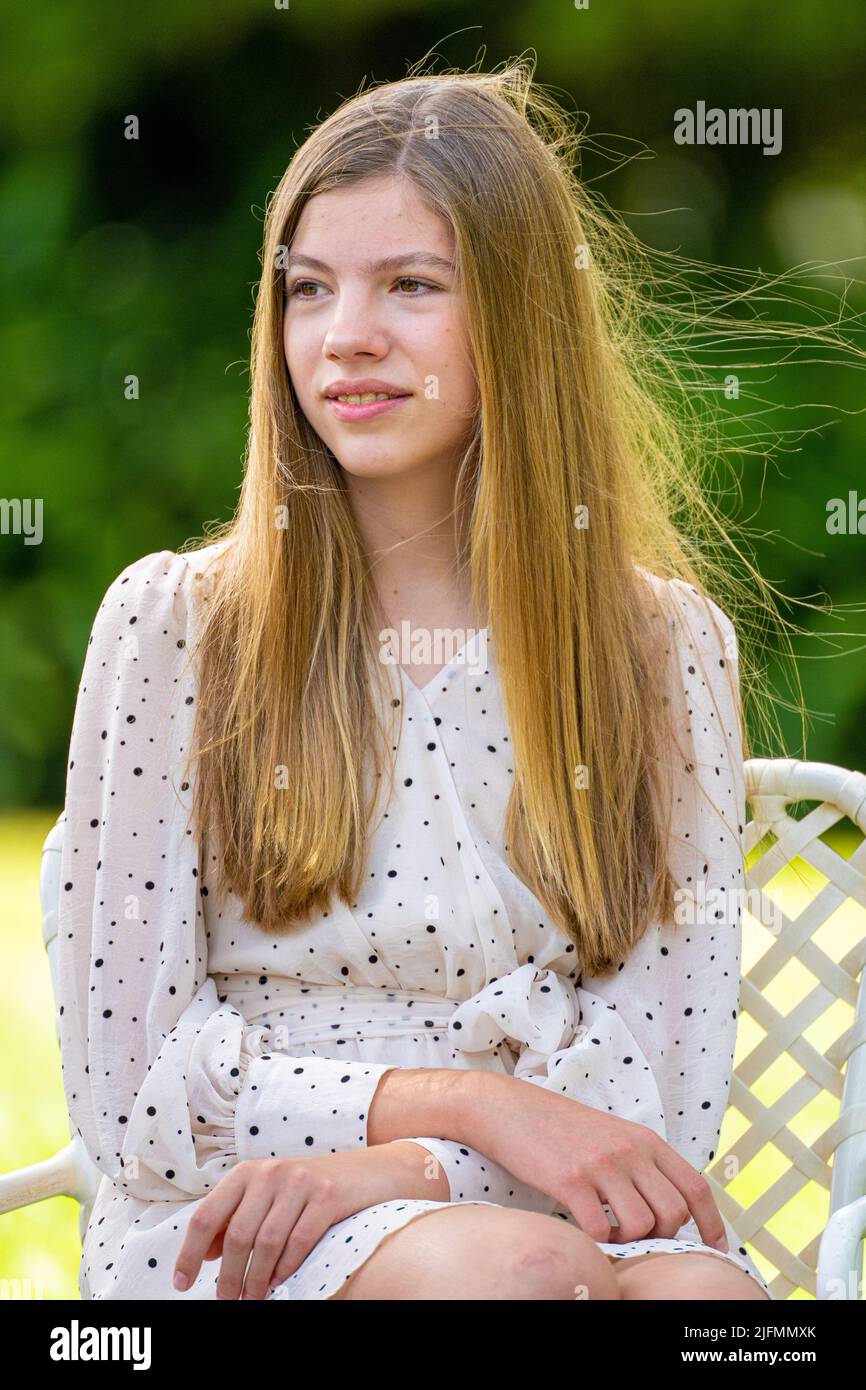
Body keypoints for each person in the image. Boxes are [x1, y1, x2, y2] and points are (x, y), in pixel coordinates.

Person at [57, 60, 775, 1301]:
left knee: (709, 1304)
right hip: (242, 1219)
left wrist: (417, 1169)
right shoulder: (176, 627)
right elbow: (132, 1096)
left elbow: (661, 1104)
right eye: (309, 291)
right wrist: (462, 1107)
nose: (346, 337)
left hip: (541, 1202)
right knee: (511, 1277)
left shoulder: (661, 651)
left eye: (411, 286)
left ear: (521, 318)